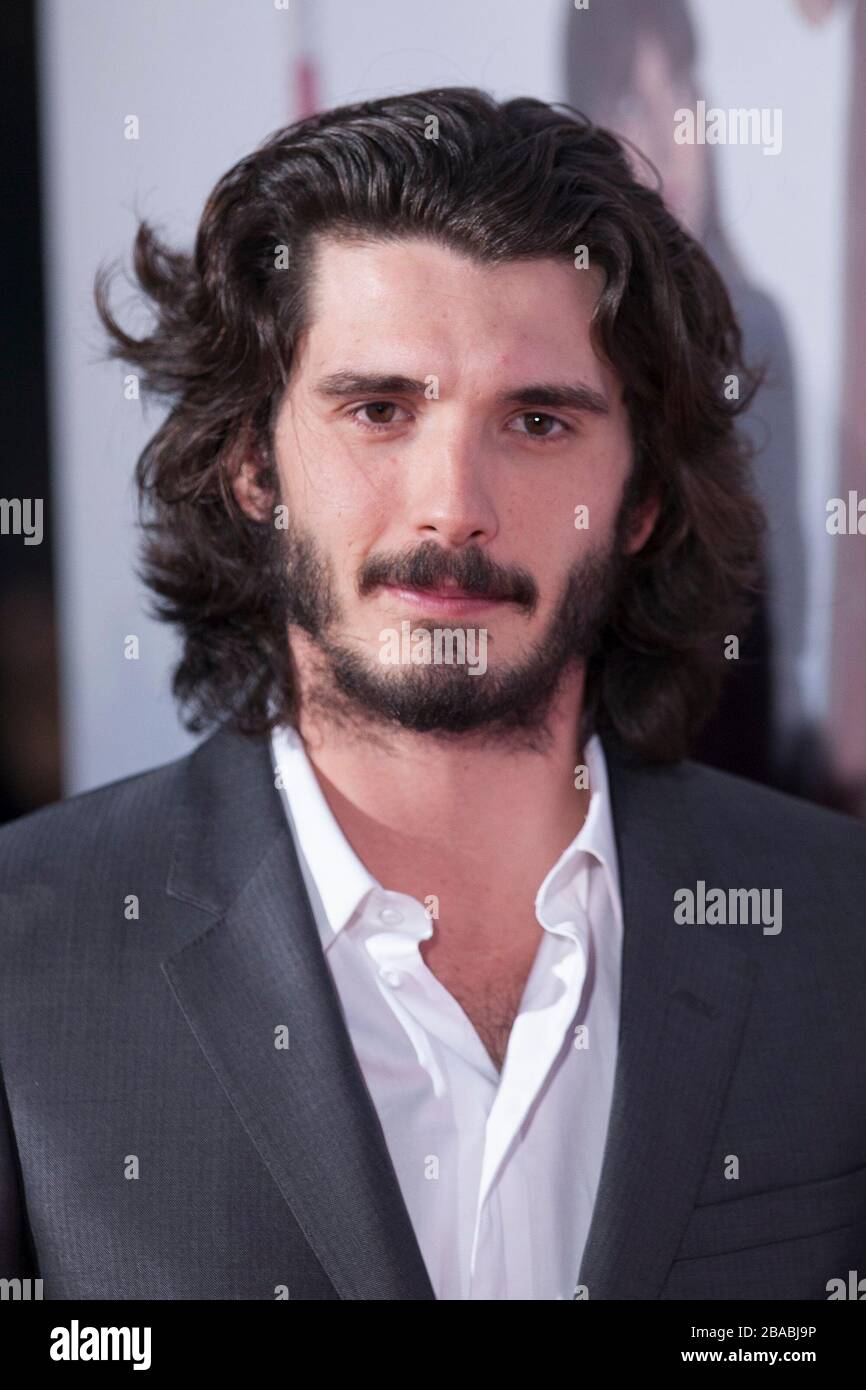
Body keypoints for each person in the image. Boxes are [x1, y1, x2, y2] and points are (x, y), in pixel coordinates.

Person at [1, 88, 864, 1302]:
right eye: (378, 410)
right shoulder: (23, 951)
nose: (451, 504)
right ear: (253, 466)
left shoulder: (834, 929)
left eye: (537, 421)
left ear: (639, 500)